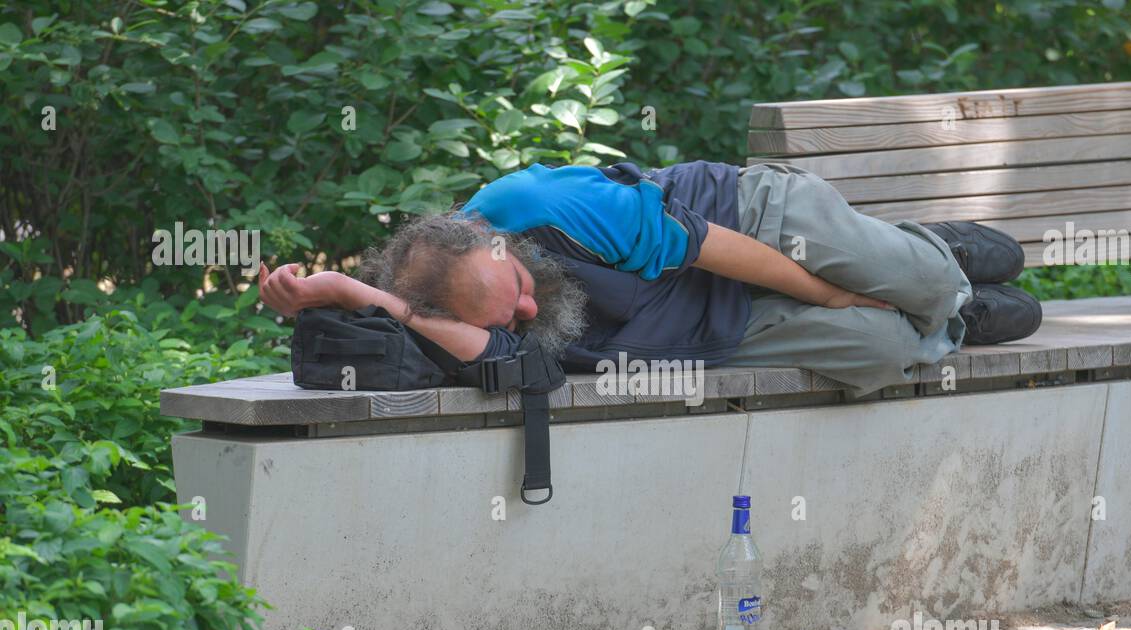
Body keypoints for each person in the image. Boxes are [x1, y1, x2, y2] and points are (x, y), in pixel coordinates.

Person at [257, 160, 1040, 397]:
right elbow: (498, 358)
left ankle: (939, 264)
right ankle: (950, 320)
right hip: (703, 329)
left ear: (493, 240)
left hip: (741, 231)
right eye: (514, 316)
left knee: (916, 287)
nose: (530, 308)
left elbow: (717, 250)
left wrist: (830, 288)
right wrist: (361, 295)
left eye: (520, 286)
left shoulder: (543, 205)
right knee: (883, 354)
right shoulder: (447, 307)